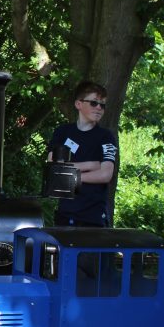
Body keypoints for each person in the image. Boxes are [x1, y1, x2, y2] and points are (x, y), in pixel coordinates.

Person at [46, 81, 118, 226]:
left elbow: (105, 175)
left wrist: (69, 177)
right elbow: (54, 168)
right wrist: (92, 164)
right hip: (64, 214)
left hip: (93, 217)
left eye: (102, 105)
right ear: (78, 104)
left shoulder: (106, 136)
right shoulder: (63, 132)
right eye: (94, 103)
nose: (99, 108)